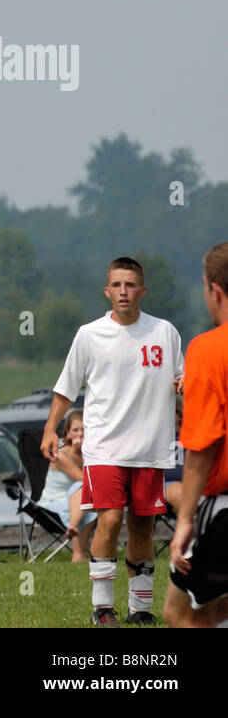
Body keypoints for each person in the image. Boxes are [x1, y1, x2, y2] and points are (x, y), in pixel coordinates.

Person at [42, 256, 183, 627]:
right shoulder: (89, 335)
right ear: (107, 291)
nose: (124, 291)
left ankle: (140, 608)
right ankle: (103, 607)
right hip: (104, 448)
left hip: (150, 449)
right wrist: (49, 429)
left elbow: (182, 380)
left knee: (142, 528)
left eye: (131, 285)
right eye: (117, 285)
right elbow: (65, 389)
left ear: (142, 290)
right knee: (109, 520)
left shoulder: (164, 332)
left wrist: (186, 386)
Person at [165, 241, 228, 628]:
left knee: (180, 613)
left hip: (222, 509)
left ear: (214, 291)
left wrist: (185, 519)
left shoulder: (208, 350)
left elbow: (202, 446)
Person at [37, 409, 95, 562]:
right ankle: (75, 538)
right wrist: (84, 455)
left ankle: (79, 553)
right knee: (81, 489)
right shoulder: (61, 455)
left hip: (78, 504)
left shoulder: (90, 453)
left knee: (92, 508)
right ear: (68, 434)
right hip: (52, 503)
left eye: (84, 429)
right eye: (76, 430)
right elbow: (84, 480)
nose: (81, 433)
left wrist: (84, 453)